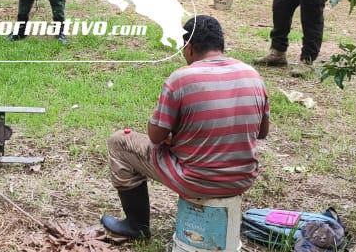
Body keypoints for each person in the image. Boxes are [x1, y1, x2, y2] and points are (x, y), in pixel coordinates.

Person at [101, 15, 269, 239]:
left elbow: (155, 136)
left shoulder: (181, 79)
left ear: (189, 47)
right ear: (220, 44)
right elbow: (262, 132)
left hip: (196, 180)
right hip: (243, 177)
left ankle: (136, 225)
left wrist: (169, 129)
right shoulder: (253, 75)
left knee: (120, 142)